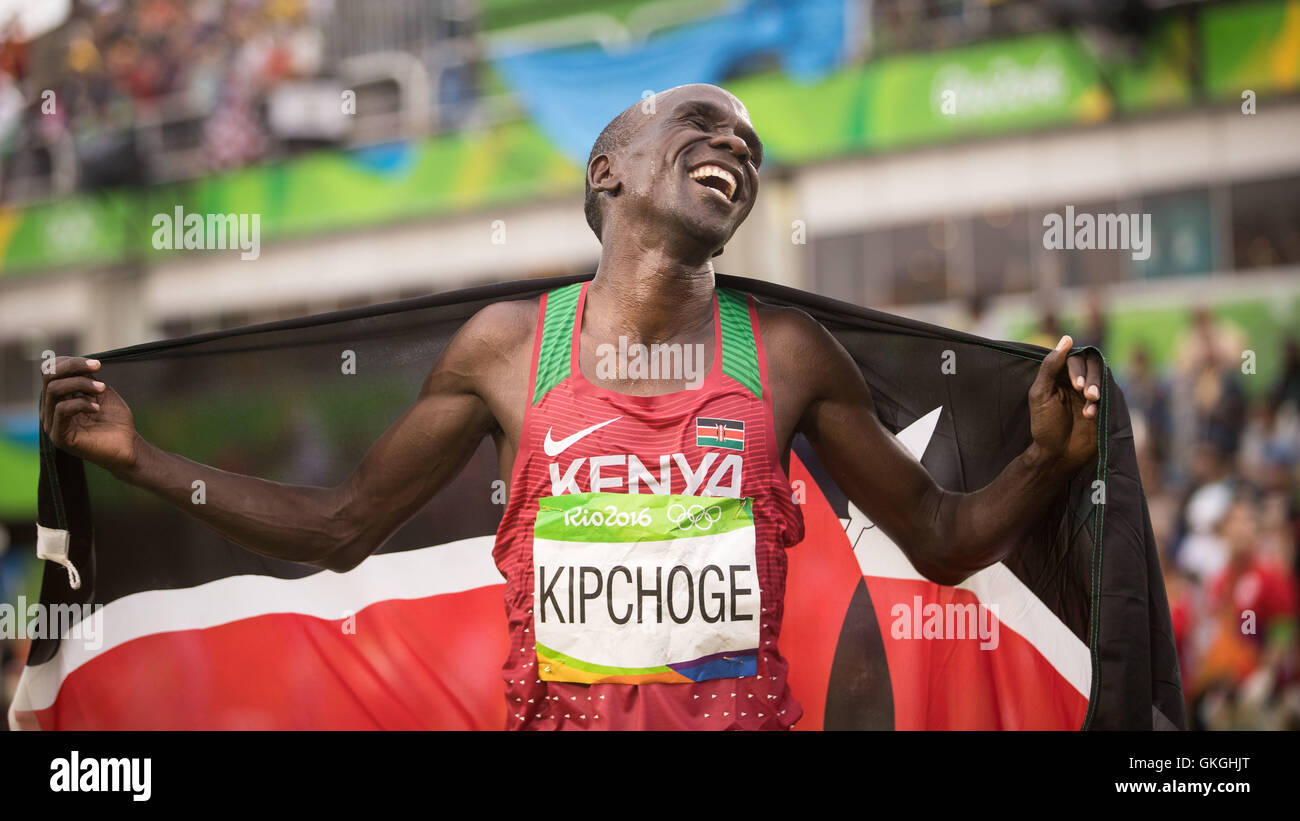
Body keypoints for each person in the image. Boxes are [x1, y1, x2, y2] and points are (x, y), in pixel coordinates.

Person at [38, 84, 1104, 730]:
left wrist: (1048, 461)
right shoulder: (508, 349)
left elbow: (941, 537)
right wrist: (144, 461)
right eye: (702, 127)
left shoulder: (783, 356)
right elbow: (338, 528)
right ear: (610, 170)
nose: (735, 149)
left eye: (749, 150)